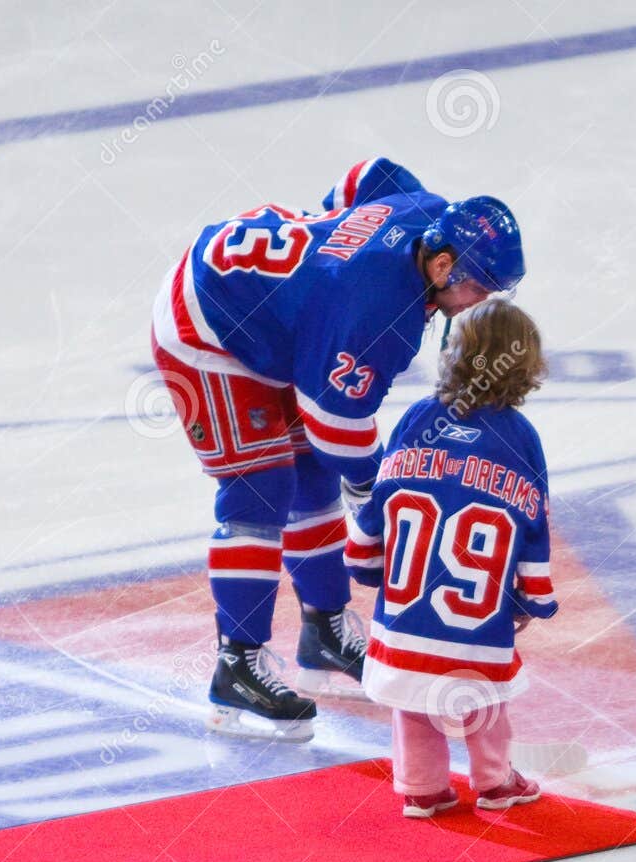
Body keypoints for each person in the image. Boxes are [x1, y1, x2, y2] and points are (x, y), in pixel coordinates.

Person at [149, 157, 524, 741]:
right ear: (443, 266)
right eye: (479, 286)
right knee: (260, 488)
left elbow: (369, 175)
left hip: (266, 308)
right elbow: (334, 425)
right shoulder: (377, 315)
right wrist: (378, 490)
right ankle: (235, 668)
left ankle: (323, 630)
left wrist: (326, 245)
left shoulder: (427, 214)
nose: (483, 301)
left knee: (313, 479)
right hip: (207, 329)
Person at [345, 299, 557, 817]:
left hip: (405, 614)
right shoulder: (521, 440)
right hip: (477, 619)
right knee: (483, 699)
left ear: (453, 355)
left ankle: (421, 787)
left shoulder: (417, 419)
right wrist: (534, 599)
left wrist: (366, 563)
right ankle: (494, 780)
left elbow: (381, 502)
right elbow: (533, 525)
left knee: (413, 698)